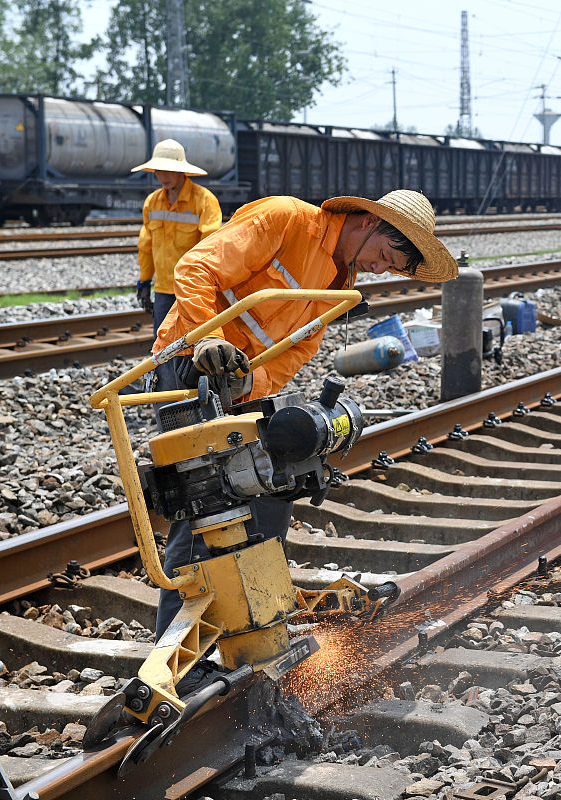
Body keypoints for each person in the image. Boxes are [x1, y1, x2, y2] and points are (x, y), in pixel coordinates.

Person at [150, 190, 458, 671]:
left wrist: (252, 381)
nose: (378, 269)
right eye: (383, 256)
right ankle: (179, 662)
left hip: (240, 388)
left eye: (389, 267)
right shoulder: (286, 221)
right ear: (366, 221)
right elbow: (196, 269)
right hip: (188, 368)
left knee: (267, 500)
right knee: (204, 511)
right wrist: (209, 338)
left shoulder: (340, 280)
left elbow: (294, 353)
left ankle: (254, 636)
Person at [132, 139, 222, 391]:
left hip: (193, 291)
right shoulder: (152, 202)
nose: (163, 176)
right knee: (163, 348)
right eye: (159, 171)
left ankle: (196, 399)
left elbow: (212, 247)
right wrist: (144, 281)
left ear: (182, 170)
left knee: (194, 346)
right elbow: (146, 244)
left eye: (168, 170)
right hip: (162, 289)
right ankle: (167, 402)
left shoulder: (204, 201)